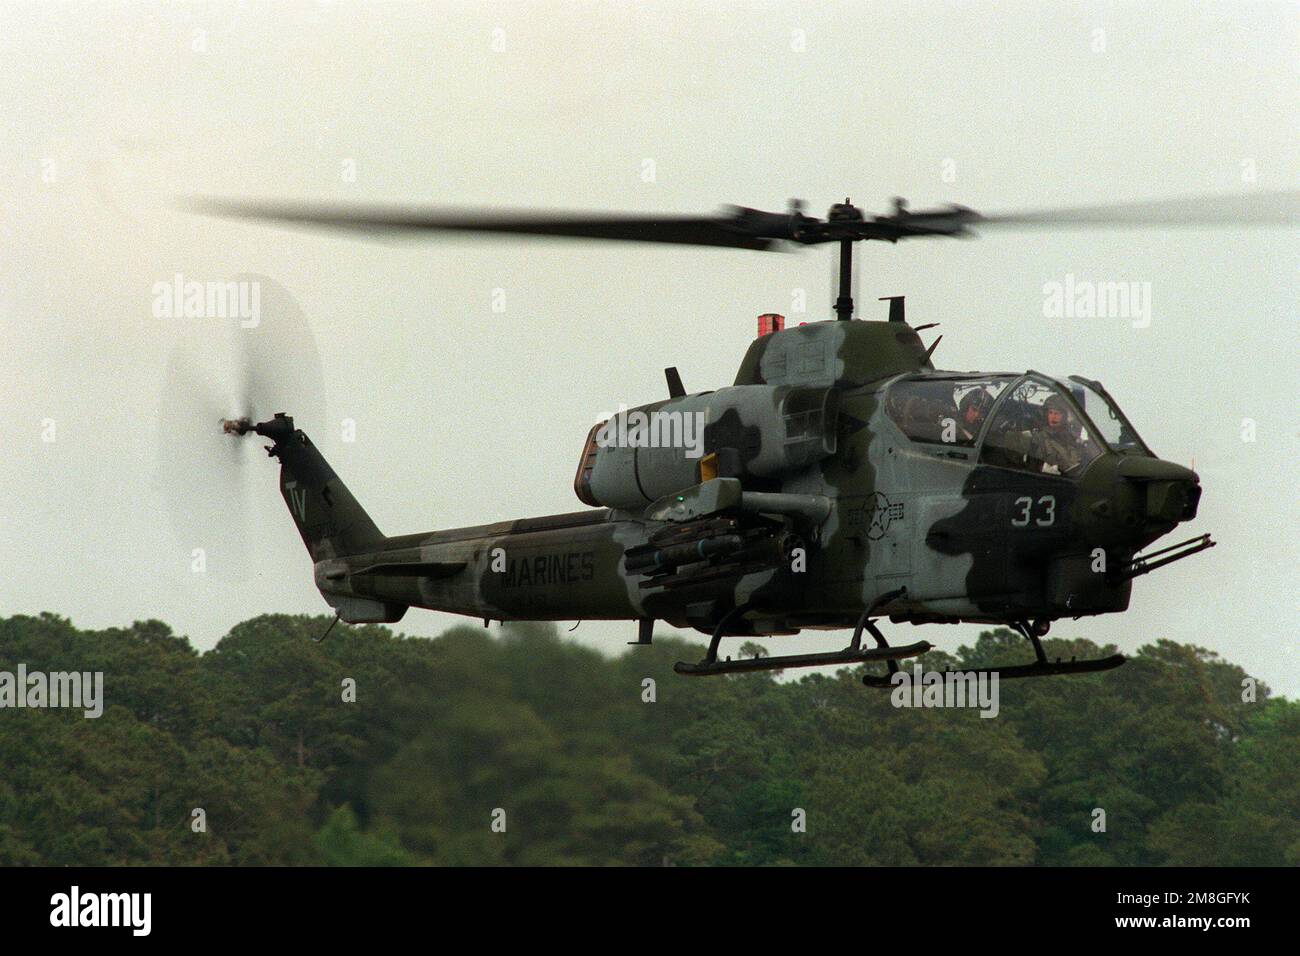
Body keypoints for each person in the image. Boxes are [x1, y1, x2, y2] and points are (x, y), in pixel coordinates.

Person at [1032, 393, 1086, 475]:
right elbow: (1034, 466)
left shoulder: (1072, 436)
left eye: (1057, 413)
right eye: (1050, 413)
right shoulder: (1040, 437)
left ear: (1064, 416)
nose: (1053, 417)